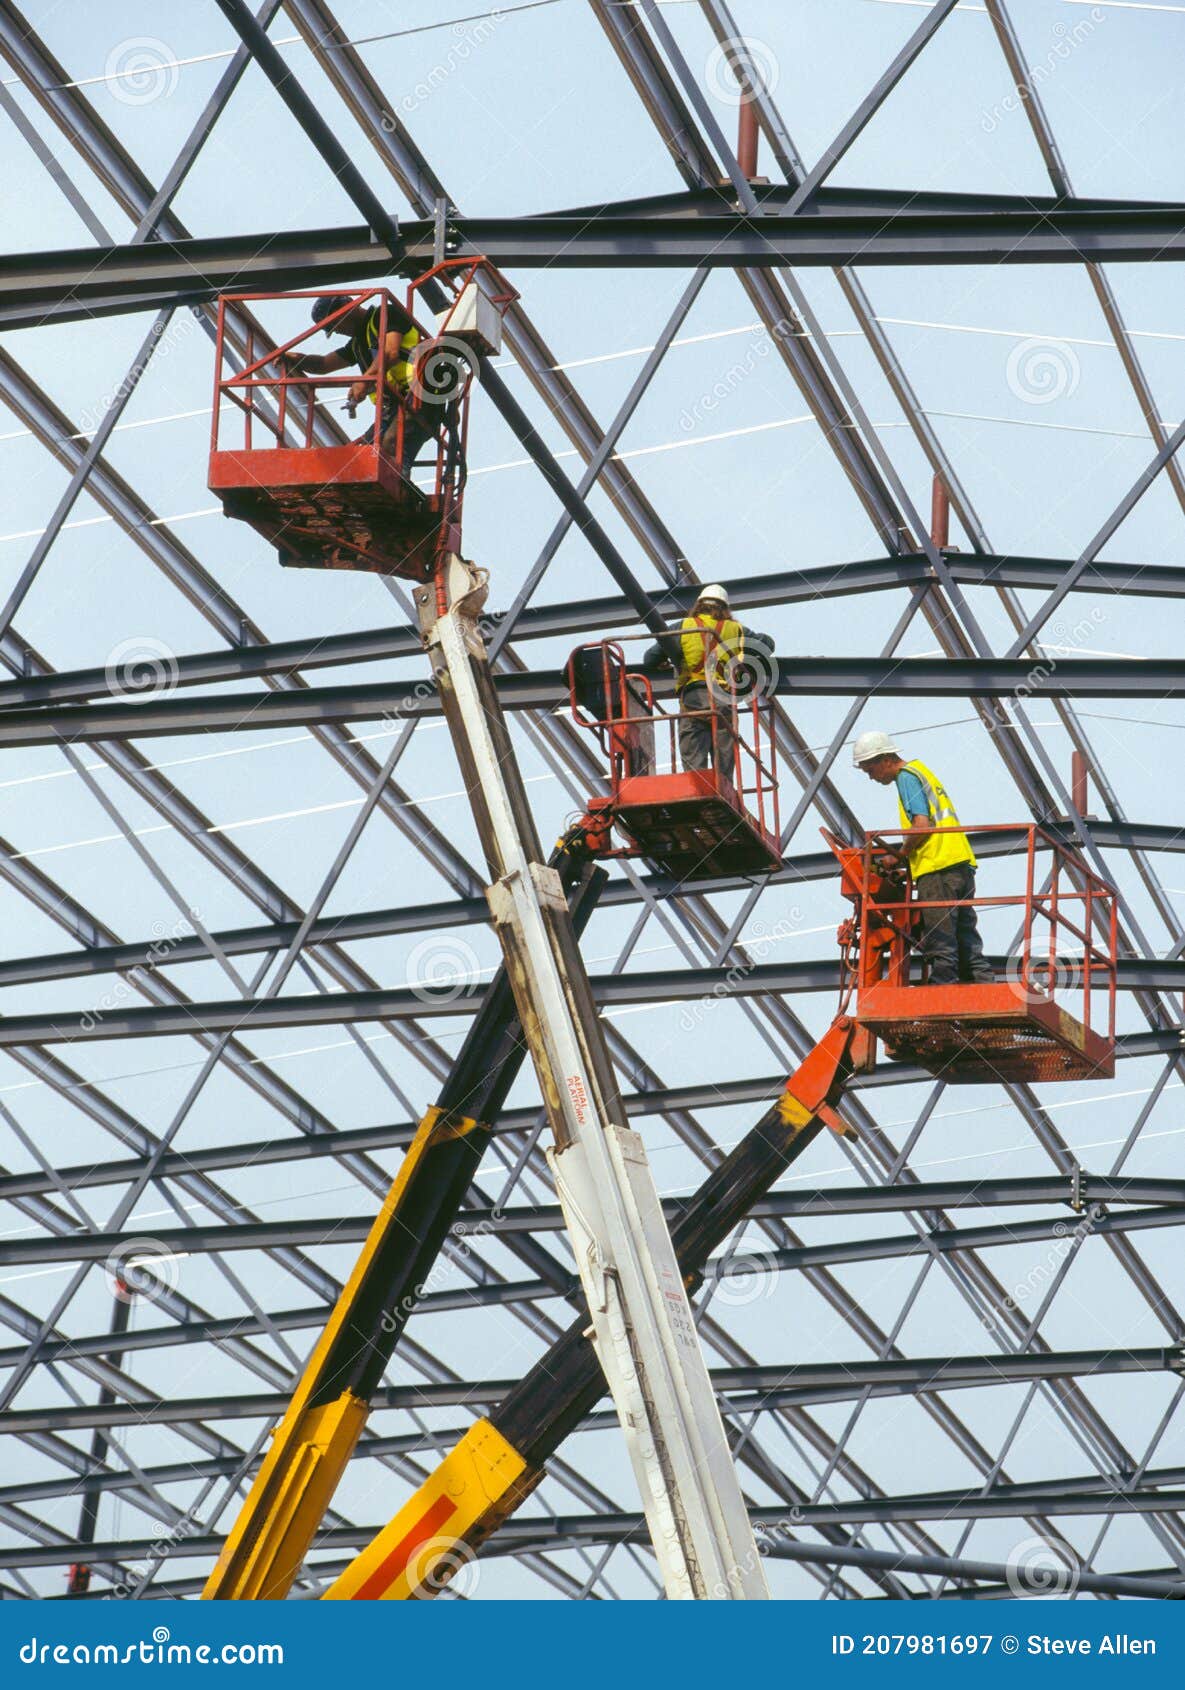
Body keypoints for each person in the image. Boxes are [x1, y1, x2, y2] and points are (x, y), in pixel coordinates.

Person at [852, 731, 994, 987]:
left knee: (941, 937)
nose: (871, 777)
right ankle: (985, 988)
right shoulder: (922, 772)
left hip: (938, 869)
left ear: (885, 759)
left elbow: (921, 825)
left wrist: (898, 858)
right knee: (965, 935)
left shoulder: (906, 778)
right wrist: (907, 869)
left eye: (870, 769)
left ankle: (942, 990)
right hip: (959, 865)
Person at [281, 293, 438, 471]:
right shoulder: (358, 344)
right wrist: (296, 358)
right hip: (396, 406)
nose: (338, 330)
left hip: (423, 397)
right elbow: (324, 364)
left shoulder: (387, 315)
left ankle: (401, 491)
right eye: (332, 328)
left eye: (336, 323)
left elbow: (391, 352)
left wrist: (364, 381)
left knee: (391, 445)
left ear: (348, 307)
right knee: (361, 455)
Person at [644, 585, 772, 780]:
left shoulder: (682, 626)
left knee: (694, 765)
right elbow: (767, 645)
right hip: (723, 700)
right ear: (725, 608)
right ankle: (723, 790)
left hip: (692, 701)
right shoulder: (736, 629)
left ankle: (698, 790)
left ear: (699, 605)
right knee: (724, 763)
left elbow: (649, 658)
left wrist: (664, 660)